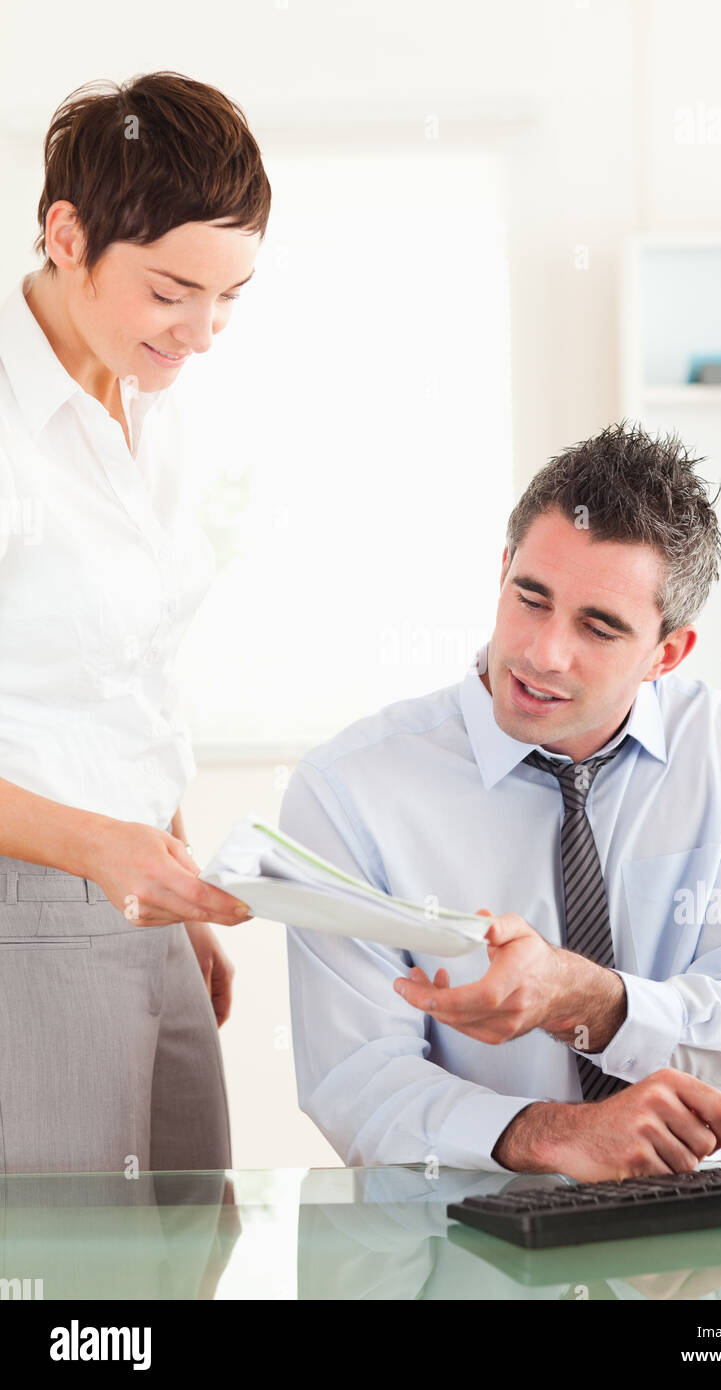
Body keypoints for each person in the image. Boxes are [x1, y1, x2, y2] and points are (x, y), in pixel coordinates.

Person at [280, 423, 721, 1179]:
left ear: (667, 654)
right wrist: (557, 1135)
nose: (543, 653)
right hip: (474, 1247)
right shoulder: (350, 791)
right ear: (503, 572)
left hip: (708, 1246)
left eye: (600, 627)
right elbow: (356, 1083)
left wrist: (586, 1001)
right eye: (532, 599)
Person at [0, 71, 270, 1174]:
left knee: (183, 1252)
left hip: (138, 890)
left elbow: (126, 682)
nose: (201, 331)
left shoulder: (146, 409)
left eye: (229, 297)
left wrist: (173, 875)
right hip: (34, 895)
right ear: (67, 235)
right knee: (76, 1296)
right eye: (171, 291)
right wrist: (105, 850)